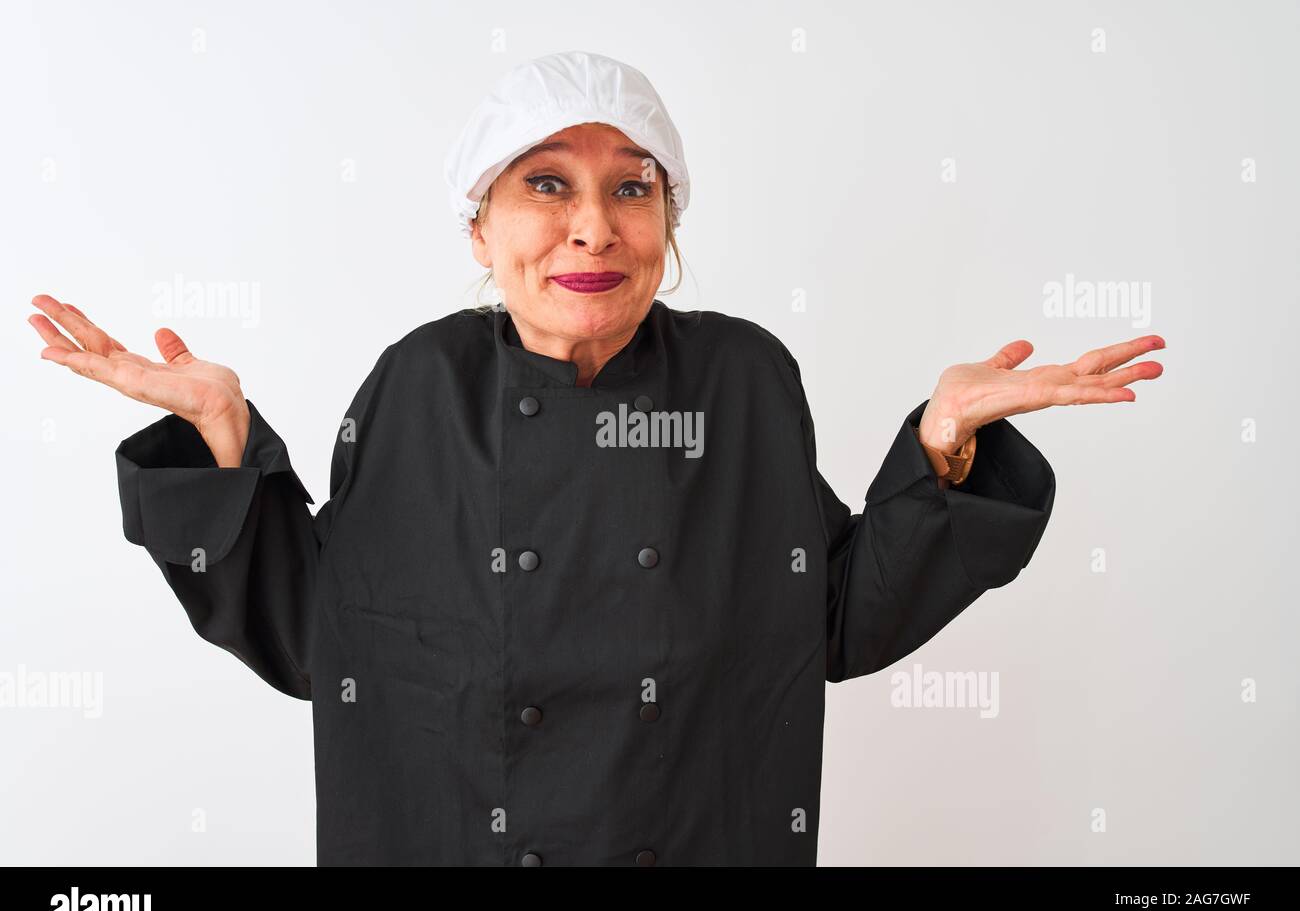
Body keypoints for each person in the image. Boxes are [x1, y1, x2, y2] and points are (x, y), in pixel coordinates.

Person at [26, 50, 1165, 866]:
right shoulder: (418, 383)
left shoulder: (742, 380)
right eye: (546, 185)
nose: (592, 227)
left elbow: (825, 624)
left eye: (632, 187)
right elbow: (328, 637)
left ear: (668, 223)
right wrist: (221, 440)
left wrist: (938, 451)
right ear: (480, 228)